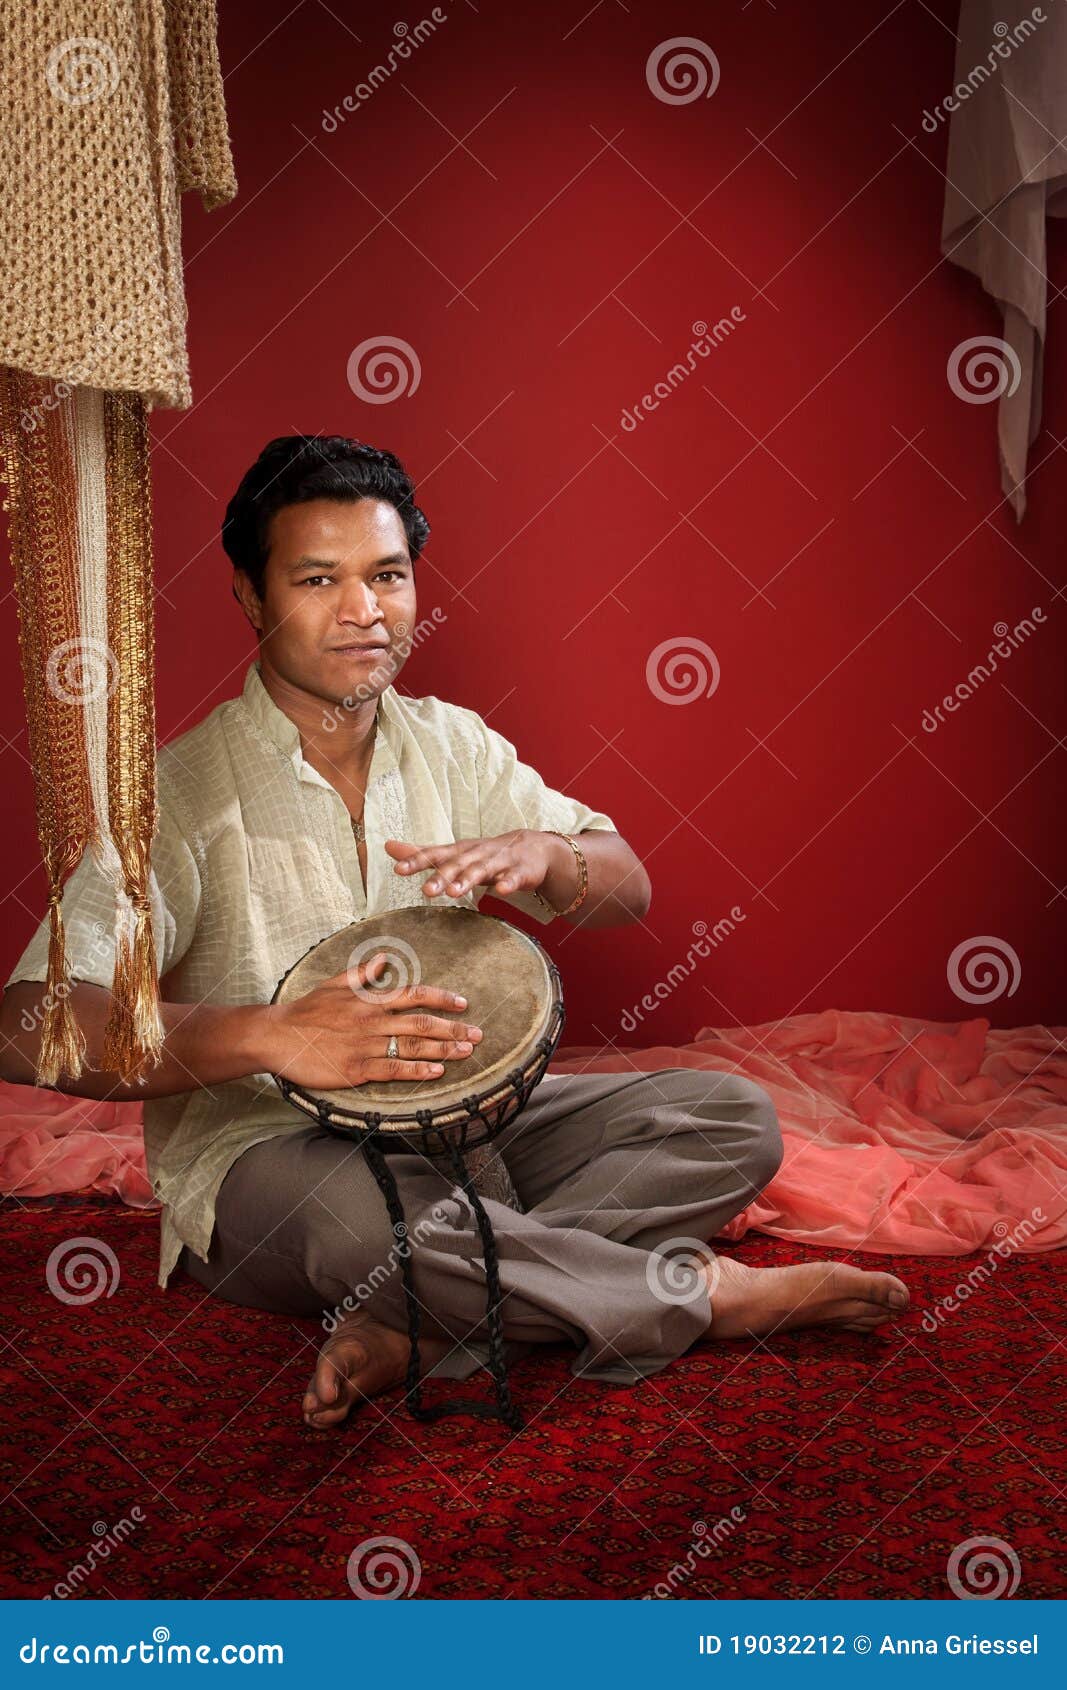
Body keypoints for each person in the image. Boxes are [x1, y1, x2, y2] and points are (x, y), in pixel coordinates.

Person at [0, 436, 909, 1431]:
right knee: (365, 1224)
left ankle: (422, 1326)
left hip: (467, 1124)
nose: (365, 610)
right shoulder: (174, 795)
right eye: (319, 579)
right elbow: (31, 1021)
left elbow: (627, 884)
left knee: (730, 1119)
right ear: (251, 599)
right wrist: (273, 1033)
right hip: (273, 1153)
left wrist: (547, 856)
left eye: (387, 575)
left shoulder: (453, 742)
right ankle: (687, 1295)